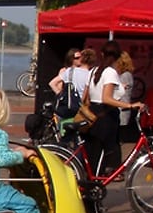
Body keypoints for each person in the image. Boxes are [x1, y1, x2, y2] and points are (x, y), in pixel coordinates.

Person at [84, 41, 143, 176]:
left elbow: (85, 98)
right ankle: (104, 176)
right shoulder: (110, 72)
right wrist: (130, 105)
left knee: (93, 153)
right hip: (105, 116)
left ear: (102, 54)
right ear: (117, 57)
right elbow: (107, 98)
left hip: (92, 113)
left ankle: (91, 180)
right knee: (108, 150)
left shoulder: (93, 71)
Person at [47, 48, 89, 120]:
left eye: (81, 57)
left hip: (80, 103)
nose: (80, 59)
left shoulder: (85, 71)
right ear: (71, 59)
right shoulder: (66, 71)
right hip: (70, 103)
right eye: (77, 58)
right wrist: (61, 95)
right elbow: (53, 84)